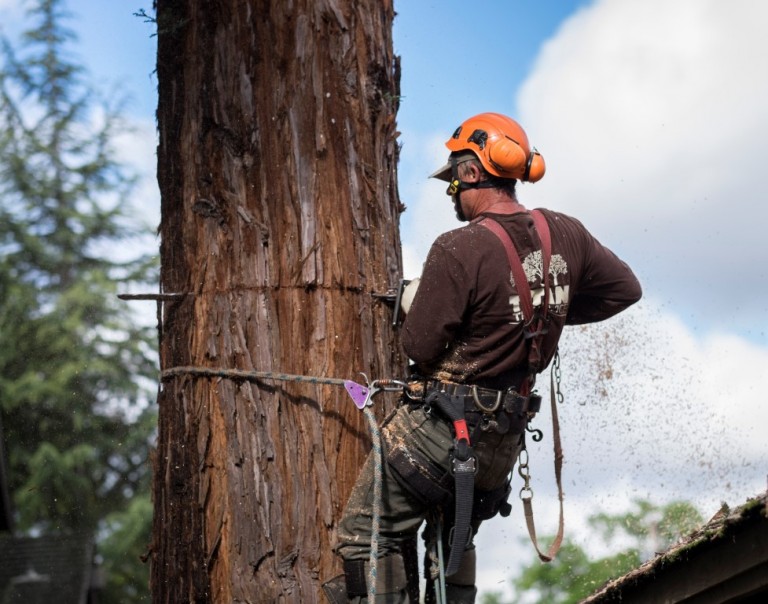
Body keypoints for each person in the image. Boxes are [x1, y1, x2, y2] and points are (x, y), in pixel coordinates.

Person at [327, 112, 642, 603]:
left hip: (440, 433)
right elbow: (625, 289)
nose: (451, 189)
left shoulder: (459, 246)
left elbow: (419, 347)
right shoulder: (568, 233)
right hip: (500, 445)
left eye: (454, 177)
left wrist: (425, 304)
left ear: (472, 172)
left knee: (365, 536)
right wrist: (539, 313)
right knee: (454, 540)